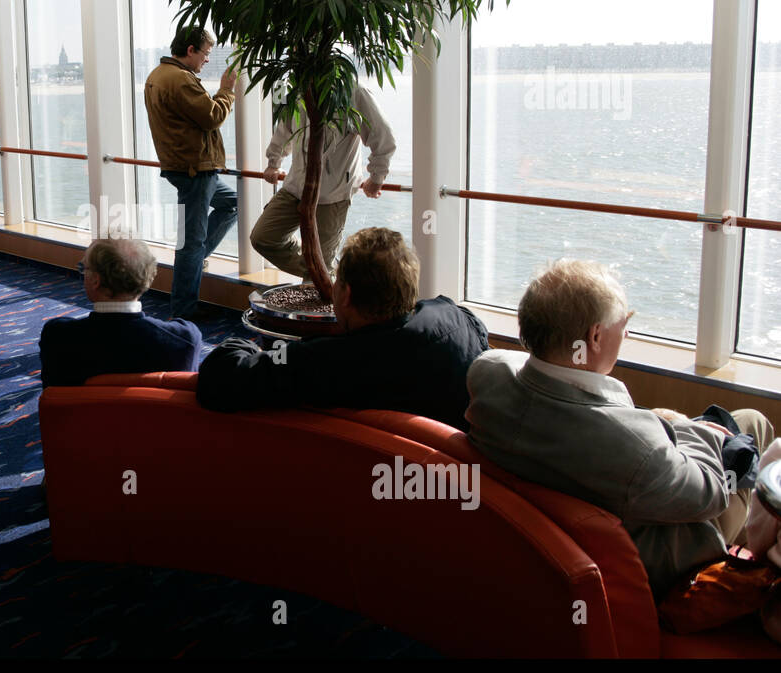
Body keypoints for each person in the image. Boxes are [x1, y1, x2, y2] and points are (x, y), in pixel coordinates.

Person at [464, 259, 775, 598]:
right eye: (624, 322)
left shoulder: (486, 375)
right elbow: (711, 494)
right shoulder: (638, 448)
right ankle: (755, 580)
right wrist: (682, 426)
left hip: (542, 544)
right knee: (754, 425)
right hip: (656, 561)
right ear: (594, 336)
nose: (627, 333)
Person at [197, 228, 488, 428]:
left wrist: (254, 347)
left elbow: (219, 378)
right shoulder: (458, 319)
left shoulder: (324, 361)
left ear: (345, 294)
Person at [252, 87, 396, 281]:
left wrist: (377, 177)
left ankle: (320, 272)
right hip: (296, 186)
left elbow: (382, 135)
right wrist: (273, 162)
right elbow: (284, 129)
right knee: (263, 238)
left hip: (332, 193)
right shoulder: (298, 91)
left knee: (315, 277)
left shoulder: (353, 91)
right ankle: (323, 271)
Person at [144, 26, 239, 321]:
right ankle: (182, 313)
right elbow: (212, 117)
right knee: (190, 244)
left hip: (185, 167)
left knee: (233, 203)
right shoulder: (180, 79)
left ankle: (195, 263)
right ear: (190, 50)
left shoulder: (157, 76)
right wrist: (226, 90)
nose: (207, 60)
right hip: (195, 171)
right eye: (206, 53)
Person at [39, 238, 202, 387]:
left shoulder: (58, 336)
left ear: (96, 280)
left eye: (83, 267)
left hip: (85, 419)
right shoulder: (184, 340)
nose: (82, 274)